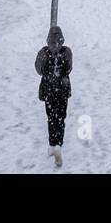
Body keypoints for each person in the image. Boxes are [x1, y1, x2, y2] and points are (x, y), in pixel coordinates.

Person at [35, 26, 73, 168]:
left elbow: (38, 69)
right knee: (61, 116)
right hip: (62, 89)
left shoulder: (43, 52)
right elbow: (69, 69)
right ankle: (59, 143)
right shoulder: (67, 52)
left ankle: (52, 143)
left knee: (51, 116)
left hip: (49, 89)